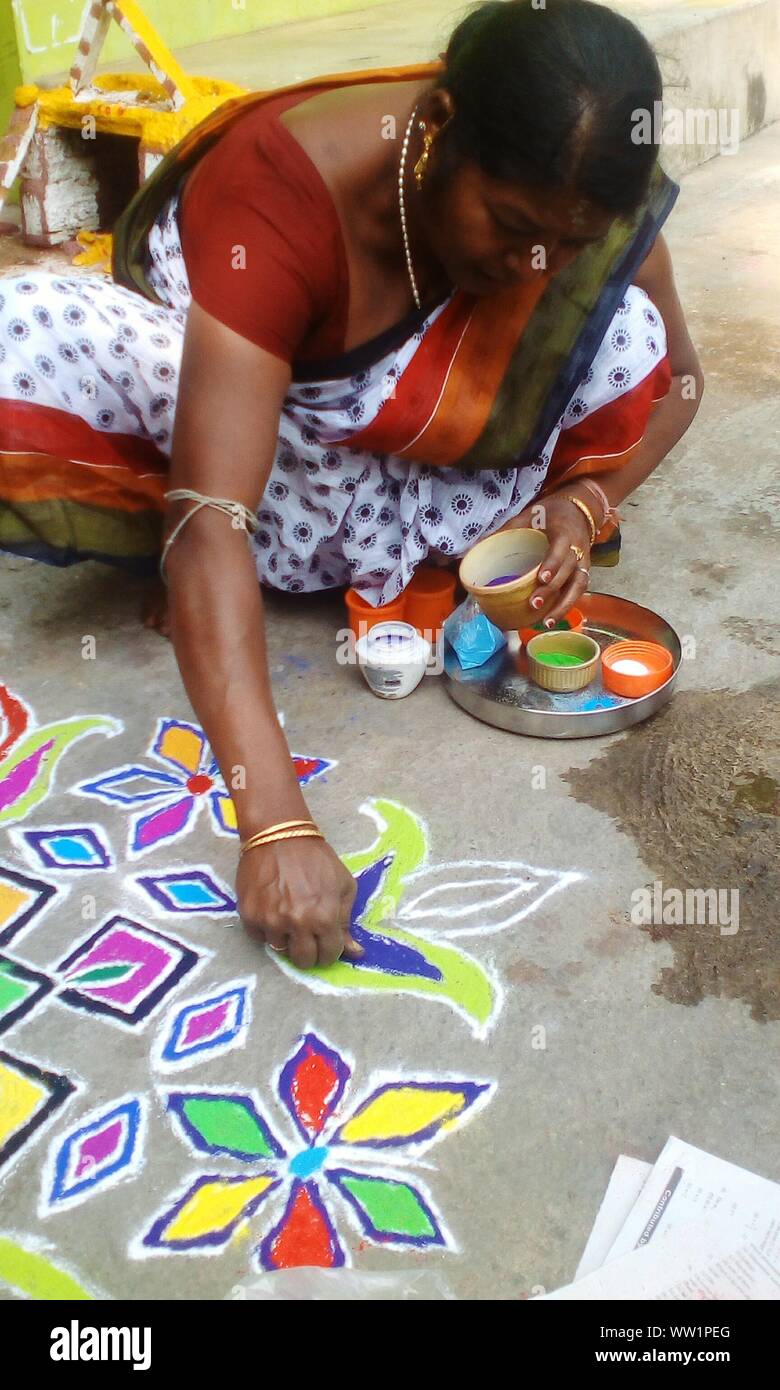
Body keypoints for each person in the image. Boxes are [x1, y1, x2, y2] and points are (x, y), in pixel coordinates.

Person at [0, 0, 703, 969]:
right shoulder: (280, 199)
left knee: (624, 331)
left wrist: (580, 507)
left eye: (569, 244)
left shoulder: (578, 196)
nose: (535, 263)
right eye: (510, 226)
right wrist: (276, 821)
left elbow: (681, 382)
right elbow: (210, 518)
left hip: (410, 457)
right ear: (444, 126)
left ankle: (337, 551)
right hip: (250, 414)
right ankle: (260, 573)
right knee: (26, 343)